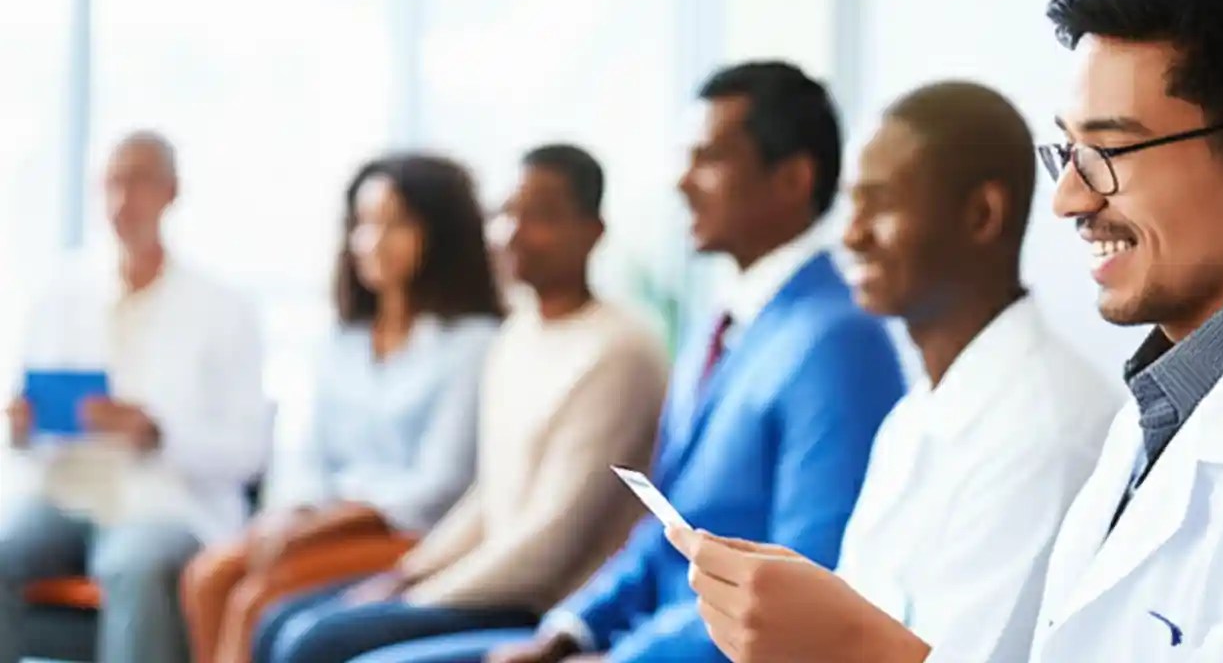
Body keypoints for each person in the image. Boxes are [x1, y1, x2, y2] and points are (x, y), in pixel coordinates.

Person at [671, 0, 1223, 661]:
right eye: (1067, 153)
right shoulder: (1154, 421)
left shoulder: (1071, 427)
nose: (1068, 198)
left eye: (1108, 154)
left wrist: (863, 650)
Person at [345, 61, 907, 663]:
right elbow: (661, 529)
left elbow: (807, 587)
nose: (682, 183)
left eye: (710, 159)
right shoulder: (720, 325)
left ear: (793, 179)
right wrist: (567, 631)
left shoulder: (838, 341)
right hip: (639, 633)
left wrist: (622, 660)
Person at [667, 80, 1121, 662]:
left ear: (982, 216)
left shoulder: (1046, 434)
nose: (851, 234)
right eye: (852, 203)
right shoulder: (916, 413)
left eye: (880, 204)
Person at [250, 144, 670, 663]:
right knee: (277, 623)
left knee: (315, 642)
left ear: (593, 231)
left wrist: (422, 593)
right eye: (505, 214)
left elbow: (549, 542)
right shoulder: (518, 333)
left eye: (540, 217)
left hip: (547, 602)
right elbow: (489, 495)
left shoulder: (618, 351)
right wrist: (406, 573)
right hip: (484, 577)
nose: (512, 233)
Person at [181, 154, 503, 663]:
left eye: (396, 224)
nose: (373, 241)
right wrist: (299, 512)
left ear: (440, 234)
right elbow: (303, 453)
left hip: (409, 535)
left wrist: (323, 523)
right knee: (209, 576)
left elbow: (440, 483)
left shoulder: (475, 344)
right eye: (364, 223)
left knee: (255, 601)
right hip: (319, 518)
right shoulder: (340, 340)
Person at [0, 131, 268, 663]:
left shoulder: (224, 309)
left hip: (168, 502)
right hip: (66, 493)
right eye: (113, 184)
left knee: (133, 563)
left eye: (140, 182)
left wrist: (156, 432)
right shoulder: (58, 295)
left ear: (171, 193)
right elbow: (23, 436)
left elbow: (248, 455)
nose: (125, 200)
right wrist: (23, 426)